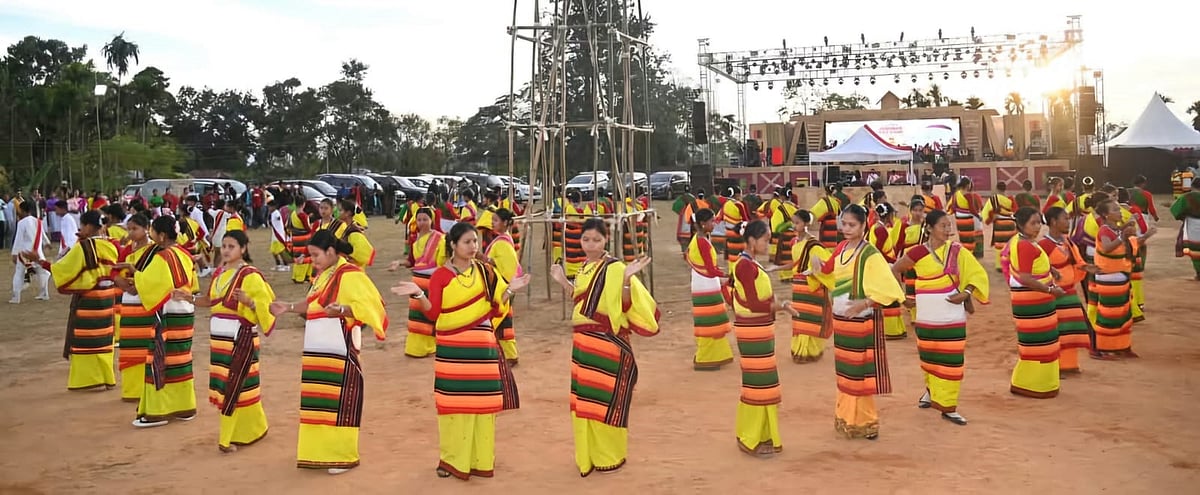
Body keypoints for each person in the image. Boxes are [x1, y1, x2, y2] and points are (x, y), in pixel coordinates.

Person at [398, 221, 530, 480]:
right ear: (453, 246)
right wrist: (417, 294)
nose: (473, 247)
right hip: (453, 352)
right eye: (467, 242)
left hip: (483, 352)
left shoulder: (485, 271)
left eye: (475, 242)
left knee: (483, 408)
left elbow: (496, 305)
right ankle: (452, 461)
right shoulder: (440, 276)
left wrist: (510, 291)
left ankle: (482, 460)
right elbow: (433, 313)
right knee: (453, 407)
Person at [267, 230, 387, 474]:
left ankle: (342, 456)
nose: (313, 260)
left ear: (331, 252)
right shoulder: (323, 275)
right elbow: (312, 303)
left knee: (341, 403)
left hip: (340, 349)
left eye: (316, 255)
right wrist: (288, 307)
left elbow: (373, 305)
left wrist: (343, 309)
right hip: (317, 350)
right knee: (318, 403)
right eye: (310, 256)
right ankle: (318, 453)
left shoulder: (350, 275)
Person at [548, 218, 658, 477]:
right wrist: (563, 280)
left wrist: (628, 279)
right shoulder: (585, 267)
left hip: (607, 343)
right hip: (583, 345)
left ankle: (609, 456)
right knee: (586, 401)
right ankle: (588, 456)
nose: (590, 245)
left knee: (606, 401)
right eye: (585, 239)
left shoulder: (616, 268)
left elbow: (625, 304)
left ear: (606, 240)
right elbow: (580, 299)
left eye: (596, 240)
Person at [808, 204, 906, 440]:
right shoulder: (841, 247)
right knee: (846, 372)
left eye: (852, 225)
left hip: (861, 320)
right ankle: (846, 417)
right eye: (844, 224)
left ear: (864, 226)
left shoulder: (870, 254)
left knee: (860, 373)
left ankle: (866, 421)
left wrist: (863, 304)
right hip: (842, 320)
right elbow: (827, 268)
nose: (846, 229)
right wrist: (813, 258)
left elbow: (890, 288)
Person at [891, 209, 989, 425]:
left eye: (949, 225)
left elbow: (976, 274)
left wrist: (966, 293)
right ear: (929, 228)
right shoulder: (917, 252)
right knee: (929, 357)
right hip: (925, 315)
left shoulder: (957, 250)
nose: (948, 229)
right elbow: (895, 269)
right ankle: (930, 391)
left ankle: (948, 406)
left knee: (952, 360)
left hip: (952, 315)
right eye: (943, 225)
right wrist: (902, 298)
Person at [193, 230, 276, 453]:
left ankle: (228, 438)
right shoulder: (219, 273)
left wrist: (249, 302)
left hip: (240, 338)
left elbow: (266, 306)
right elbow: (210, 300)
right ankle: (254, 428)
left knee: (237, 384)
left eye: (232, 246)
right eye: (224, 246)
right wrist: (188, 298)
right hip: (220, 342)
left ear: (243, 249)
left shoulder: (250, 275)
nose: (227, 250)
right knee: (232, 385)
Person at [116, 216, 201, 427]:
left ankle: (157, 412)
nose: (151, 235)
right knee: (180, 359)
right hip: (185, 311)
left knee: (159, 359)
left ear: (161, 235)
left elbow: (148, 283)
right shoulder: (184, 253)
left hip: (169, 313)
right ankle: (184, 407)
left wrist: (133, 271)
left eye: (153, 231)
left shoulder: (162, 257)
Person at [730, 219, 797, 455]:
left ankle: (760, 434)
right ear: (751, 240)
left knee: (763, 384)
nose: (769, 244)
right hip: (753, 330)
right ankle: (750, 437)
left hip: (758, 329)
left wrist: (779, 305)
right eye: (766, 239)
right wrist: (780, 306)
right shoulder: (745, 266)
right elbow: (752, 302)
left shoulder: (749, 264)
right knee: (758, 384)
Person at [45, 210, 119, 391]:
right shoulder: (110, 245)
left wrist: (41, 262)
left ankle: (86, 380)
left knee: (86, 338)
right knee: (104, 337)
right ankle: (106, 377)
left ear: (87, 226)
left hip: (89, 299)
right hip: (108, 297)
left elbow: (63, 269)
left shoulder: (84, 247)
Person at [1004, 206, 1063, 398]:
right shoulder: (1025, 245)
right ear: (1021, 225)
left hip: (1031, 300)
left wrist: (1049, 270)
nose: (1038, 227)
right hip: (1033, 301)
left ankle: (1031, 382)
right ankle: (1035, 384)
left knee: (1038, 343)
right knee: (1040, 343)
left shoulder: (1019, 241)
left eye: (1039, 222)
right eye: (1033, 223)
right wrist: (1050, 289)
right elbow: (1026, 277)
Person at [1091, 200, 1153, 359]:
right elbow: (1107, 247)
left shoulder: (1115, 229)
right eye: (1115, 210)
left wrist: (1145, 236)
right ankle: (1105, 348)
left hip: (1120, 276)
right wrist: (1122, 235)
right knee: (1110, 315)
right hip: (1109, 278)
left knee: (1123, 314)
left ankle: (1122, 346)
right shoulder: (1104, 230)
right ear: (1106, 214)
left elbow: (1131, 245)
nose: (1119, 212)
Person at [1038, 207, 1095, 374]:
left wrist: (1090, 268)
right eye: (1065, 219)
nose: (1068, 222)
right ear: (1054, 222)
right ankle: (1056, 367)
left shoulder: (1067, 241)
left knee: (1071, 330)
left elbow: (1077, 262)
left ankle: (1069, 365)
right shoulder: (1044, 245)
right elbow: (1037, 269)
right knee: (1058, 331)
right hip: (1054, 296)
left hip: (1070, 293)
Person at [390, 207, 446, 359]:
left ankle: (429, 345)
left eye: (425, 219)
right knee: (416, 315)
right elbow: (411, 262)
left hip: (432, 282)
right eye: (419, 219)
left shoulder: (440, 239)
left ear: (431, 220)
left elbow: (444, 262)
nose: (422, 223)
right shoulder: (415, 239)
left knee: (429, 313)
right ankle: (417, 347)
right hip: (417, 282)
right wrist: (398, 263)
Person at [686, 208, 734, 371]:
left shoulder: (698, 238)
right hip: (706, 284)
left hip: (702, 281)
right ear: (702, 223)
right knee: (710, 321)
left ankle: (712, 356)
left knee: (710, 320)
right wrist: (727, 276)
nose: (714, 224)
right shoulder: (701, 241)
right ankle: (706, 357)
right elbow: (711, 269)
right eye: (711, 221)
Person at [114, 214, 154, 402]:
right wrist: (120, 282)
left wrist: (138, 281)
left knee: (147, 347)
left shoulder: (155, 250)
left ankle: (147, 389)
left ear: (146, 228)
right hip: (129, 301)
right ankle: (131, 390)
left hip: (147, 302)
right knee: (130, 346)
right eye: (128, 229)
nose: (130, 233)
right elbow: (114, 270)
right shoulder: (127, 250)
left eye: (134, 229)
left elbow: (156, 277)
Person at [787, 209, 830, 363]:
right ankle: (799, 350)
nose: (794, 225)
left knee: (810, 319)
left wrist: (813, 272)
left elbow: (826, 264)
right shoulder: (794, 242)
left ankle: (809, 351)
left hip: (812, 285)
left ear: (806, 224)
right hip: (798, 285)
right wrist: (776, 268)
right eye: (793, 222)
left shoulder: (814, 244)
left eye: (797, 223)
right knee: (799, 318)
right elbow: (794, 264)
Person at [485, 208, 523, 366]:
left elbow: (507, 267)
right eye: (492, 220)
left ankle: (510, 356)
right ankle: (507, 355)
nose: (492, 223)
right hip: (501, 286)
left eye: (496, 220)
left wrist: (484, 259)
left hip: (502, 287)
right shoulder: (503, 239)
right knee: (503, 323)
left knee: (500, 321)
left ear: (506, 223)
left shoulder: (502, 242)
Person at [866, 203, 906, 340]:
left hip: (883, 263)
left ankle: (893, 329)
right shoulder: (881, 230)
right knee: (891, 296)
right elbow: (878, 252)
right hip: (885, 265)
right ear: (888, 215)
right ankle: (892, 330)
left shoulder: (876, 227)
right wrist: (895, 263)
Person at [10, 200, 50, 303]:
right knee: (42, 273)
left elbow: (18, 239)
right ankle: (44, 293)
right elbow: (43, 235)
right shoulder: (38, 221)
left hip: (25, 253)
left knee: (19, 273)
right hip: (37, 253)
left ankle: (16, 297)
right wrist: (47, 243)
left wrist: (14, 253)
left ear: (22, 210)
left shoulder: (21, 223)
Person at [982, 181, 1017, 272]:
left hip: (999, 224)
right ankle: (1009, 263)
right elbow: (1015, 211)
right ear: (1005, 189)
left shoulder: (993, 199)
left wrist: (990, 218)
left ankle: (1000, 265)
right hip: (1010, 224)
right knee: (1009, 244)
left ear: (997, 189)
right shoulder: (1011, 199)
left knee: (999, 245)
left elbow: (986, 212)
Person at [1172, 179, 1200, 280]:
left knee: (1195, 249)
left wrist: (1182, 216)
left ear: (1192, 186)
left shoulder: (1187, 196)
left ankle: (1199, 273)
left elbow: (1176, 210)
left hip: (1192, 223)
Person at [769, 189, 799, 281]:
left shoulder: (781, 209)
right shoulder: (796, 208)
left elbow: (776, 226)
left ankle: (786, 276)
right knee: (793, 255)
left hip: (784, 236)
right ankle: (793, 274)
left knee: (784, 256)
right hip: (795, 235)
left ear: (781, 197)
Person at [950, 176, 982, 257]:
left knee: (963, 238)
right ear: (968, 185)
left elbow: (953, 207)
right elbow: (972, 209)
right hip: (967, 219)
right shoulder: (968, 195)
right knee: (969, 239)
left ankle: (963, 254)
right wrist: (978, 217)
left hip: (959, 219)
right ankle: (969, 256)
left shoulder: (956, 194)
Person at [289, 200, 317, 284]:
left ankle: (296, 276)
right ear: (303, 204)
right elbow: (307, 227)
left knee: (297, 256)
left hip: (295, 237)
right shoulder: (302, 215)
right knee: (305, 257)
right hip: (304, 238)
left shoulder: (293, 213)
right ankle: (301, 278)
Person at [722, 187, 751, 264]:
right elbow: (745, 219)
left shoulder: (726, 204)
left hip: (728, 231)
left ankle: (731, 271)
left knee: (731, 254)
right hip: (737, 232)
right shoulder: (739, 204)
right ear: (737, 195)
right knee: (739, 254)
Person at [811, 184, 843, 248]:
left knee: (826, 244)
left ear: (826, 191)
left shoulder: (823, 201)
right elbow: (839, 213)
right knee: (833, 243)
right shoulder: (837, 201)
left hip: (826, 226)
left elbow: (813, 212)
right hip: (834, 225)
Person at [268, 200, 290, 272]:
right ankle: (278, 264)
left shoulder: (276, 213)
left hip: (278, 235)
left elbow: (278, 218)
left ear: (274, 207)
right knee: (274, 251)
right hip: (274, 235)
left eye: (270, 207)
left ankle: (286, 265)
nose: (269, 208)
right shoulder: (272, 213)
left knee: (281, 251)